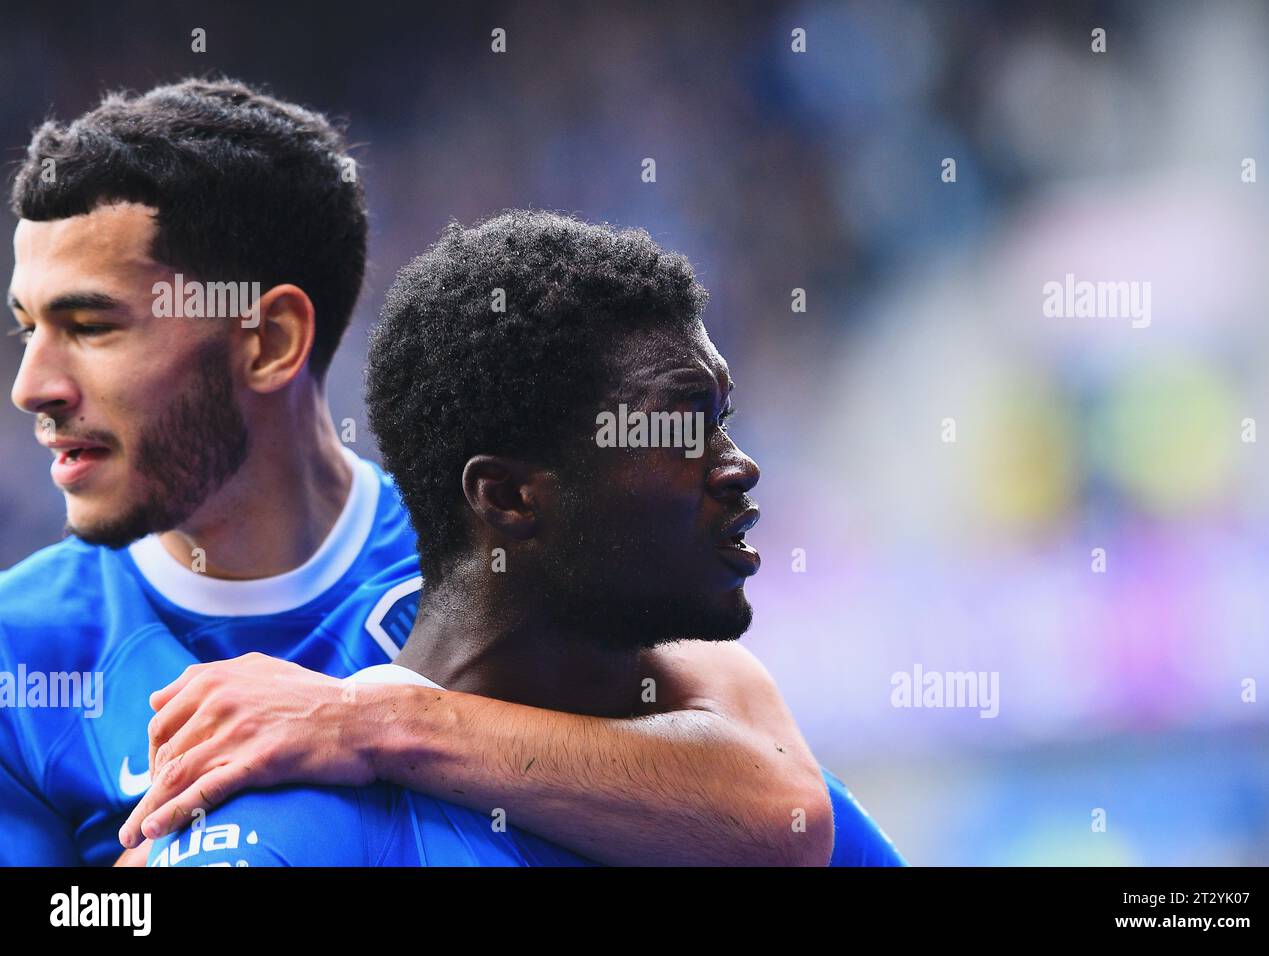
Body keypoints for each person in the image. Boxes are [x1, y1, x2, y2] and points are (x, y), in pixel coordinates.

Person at [0, 79, 832, 867]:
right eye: (27, 327)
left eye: (91, 326)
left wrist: (373, 719)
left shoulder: (501, 549)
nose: (31, 385)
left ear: (269, 340)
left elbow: (776, 803)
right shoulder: (21, 646)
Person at [145, 211, 905, 866]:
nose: (738, 467)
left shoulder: (736, 779)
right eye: (680, 427)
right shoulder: (294, 826)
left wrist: (382, 718)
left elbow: (784, 818)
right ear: (508, 497)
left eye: (723, 420)